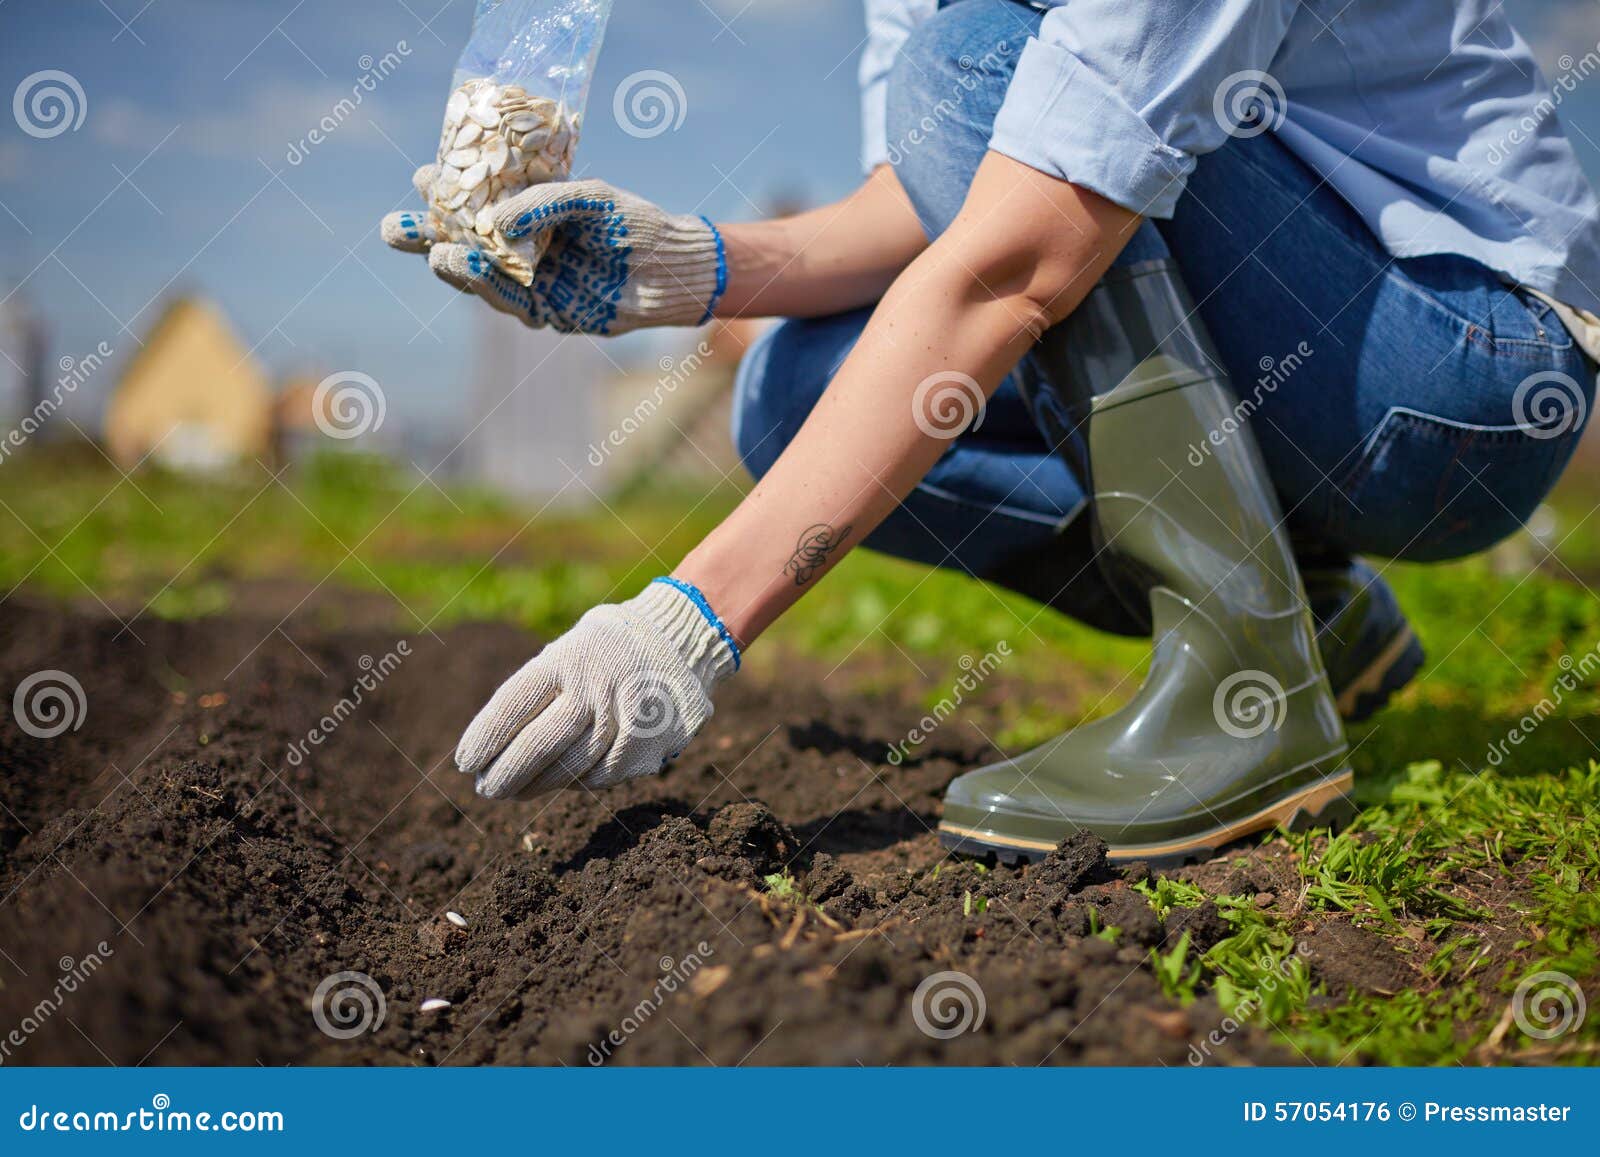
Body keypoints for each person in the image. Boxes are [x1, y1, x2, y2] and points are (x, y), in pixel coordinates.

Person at [383, 0, 1600, 865]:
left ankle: (1244, 672)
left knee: (970, 59)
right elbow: (936, 200)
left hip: (1463, 368)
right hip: (1317, 354)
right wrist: (684, 270)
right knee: (794, 385)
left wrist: (686, 621)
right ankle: (1317, 617)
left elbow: (1017, 252)